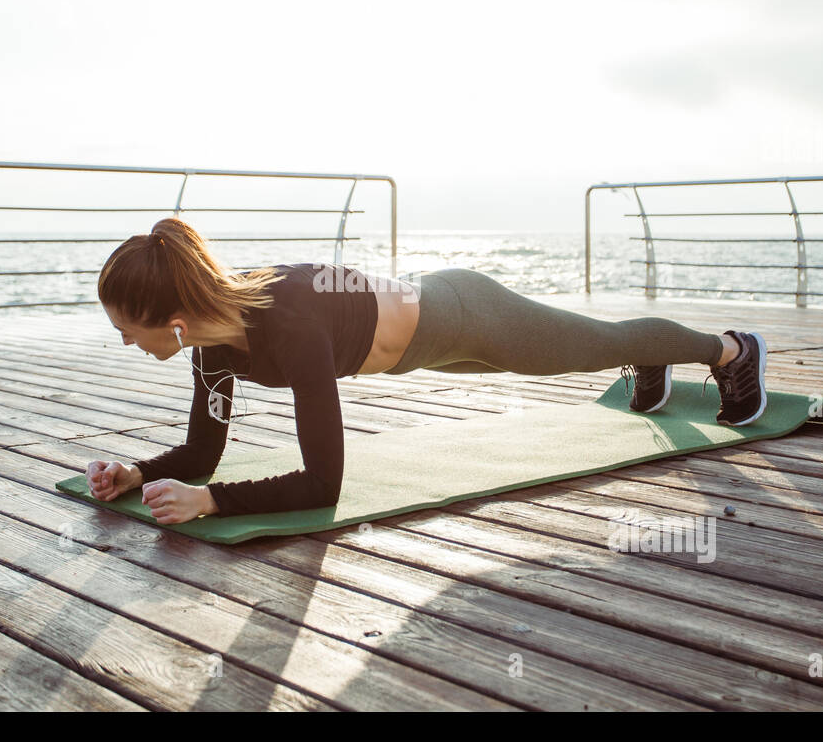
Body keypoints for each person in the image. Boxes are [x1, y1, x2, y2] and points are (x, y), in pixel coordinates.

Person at [85, 217, 767, 523]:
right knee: (589, 347)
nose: (124, 343)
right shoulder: (210, 344)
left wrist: (213, 502)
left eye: (126, 329)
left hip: (465, 313)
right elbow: (204, 453)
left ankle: (730, 351)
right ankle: (658, 362)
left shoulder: (285, 319)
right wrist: (143, 472)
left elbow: (324, 484)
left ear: (171, 318)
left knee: (591, 345)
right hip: (422, 342)